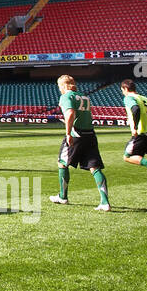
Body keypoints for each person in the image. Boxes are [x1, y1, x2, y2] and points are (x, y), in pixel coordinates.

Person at [48, 74, 110, 212]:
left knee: (62, 163)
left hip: (76, 134)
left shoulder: (66, 96)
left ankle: (63, 197)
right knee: (95, 167)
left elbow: (70, 114)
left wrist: (68, 133)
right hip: (90, 134)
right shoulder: (84, 96)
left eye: (59, 86)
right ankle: (105, 202)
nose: (59, 89)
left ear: (63, 85)